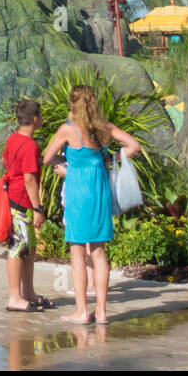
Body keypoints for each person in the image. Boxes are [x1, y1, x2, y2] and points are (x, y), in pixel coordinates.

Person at [42, 84, 141, 325]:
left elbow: (46, 158)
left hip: (77, 191)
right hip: (99, 191)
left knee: (77, 253)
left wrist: (65, 164)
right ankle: (103, 312)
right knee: (99, 252)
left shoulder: (67, 130)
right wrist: (111, 158)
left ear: (72, 105)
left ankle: (82, 312)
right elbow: (134, 146)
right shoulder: (104, 128)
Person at [3, 99, 52, 313]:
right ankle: (14, 296)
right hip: (21, 202)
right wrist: (38, 208)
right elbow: (30, 178)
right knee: (18, 247)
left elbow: (7, 163)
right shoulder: (30, 145)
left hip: (13, 197)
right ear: (35, 119)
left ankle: (28, 292)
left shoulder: (12, 139)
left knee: (29, 248)